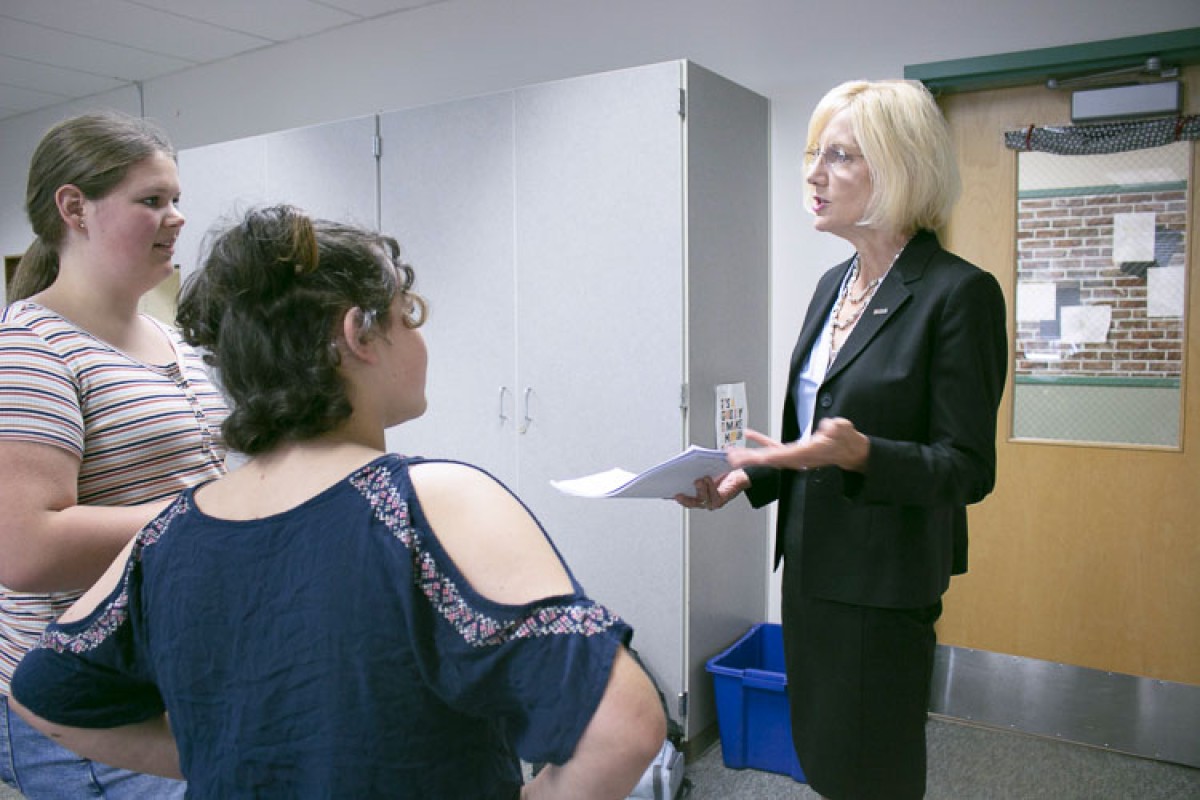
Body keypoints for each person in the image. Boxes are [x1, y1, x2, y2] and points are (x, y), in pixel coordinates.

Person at [9, 204, 666, 798]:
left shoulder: (169, 533)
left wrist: (219, 754)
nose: (421, 341)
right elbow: (623, 725)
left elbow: (43, 697)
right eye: (408, 319)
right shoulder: (427, 501)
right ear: (358, 334)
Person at [677, 79, 1007, 799]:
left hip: (884, 586)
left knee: (874, 773)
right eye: (812, 155)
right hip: (813, 572)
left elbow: (967, 468)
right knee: (824, 759)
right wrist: (755, 473)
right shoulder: (834, 283)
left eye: (841, 156)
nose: (814, 175)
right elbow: (812, 436)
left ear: (899, 168)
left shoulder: (958, 294)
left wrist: (861, 454)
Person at [0, 111, 229, 799]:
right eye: (152, 201)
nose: (177, 217)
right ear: (75, 208)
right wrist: (216, 514)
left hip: (171, 671)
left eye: (177, 200)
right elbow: (25, 547)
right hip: (86, 696)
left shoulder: (170, 338)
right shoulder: (31, 348)